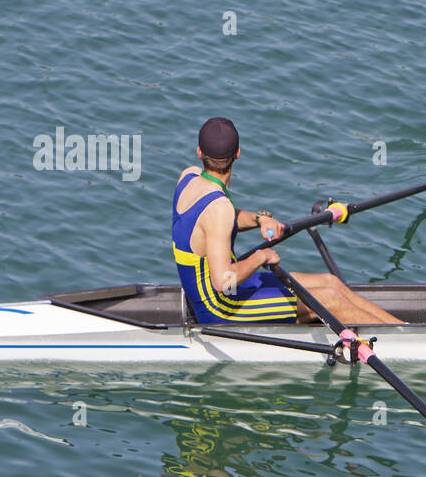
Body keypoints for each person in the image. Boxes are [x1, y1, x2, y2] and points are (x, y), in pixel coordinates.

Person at [171, 118, 400, 325]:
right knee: (331, 300)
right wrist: (261, 256)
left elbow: (215, 223)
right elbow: (222, 281)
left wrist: (260, 219)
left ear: (200, 152)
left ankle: (404, 330)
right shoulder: (219, 208)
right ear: (238, 154)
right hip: (220, 308)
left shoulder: (188, 177)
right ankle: (404, 343)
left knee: (331, 283)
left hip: (231, 290)